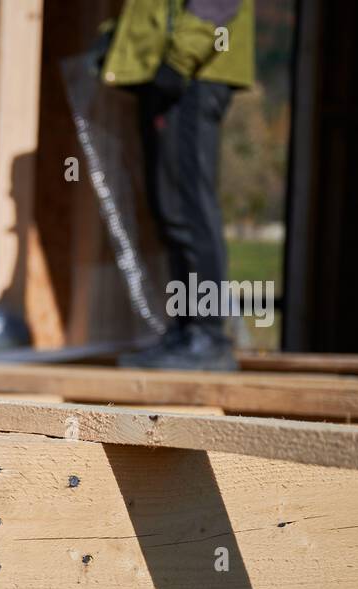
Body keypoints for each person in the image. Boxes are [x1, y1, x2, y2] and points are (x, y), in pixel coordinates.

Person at [102, 0, 255, 370]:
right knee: (171, 209)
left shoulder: (185, 67)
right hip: (175, 71)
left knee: (190, 209)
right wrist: (117, 45)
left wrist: (180, 59)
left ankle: (207, 334)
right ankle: (188, 331)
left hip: (193, 74)